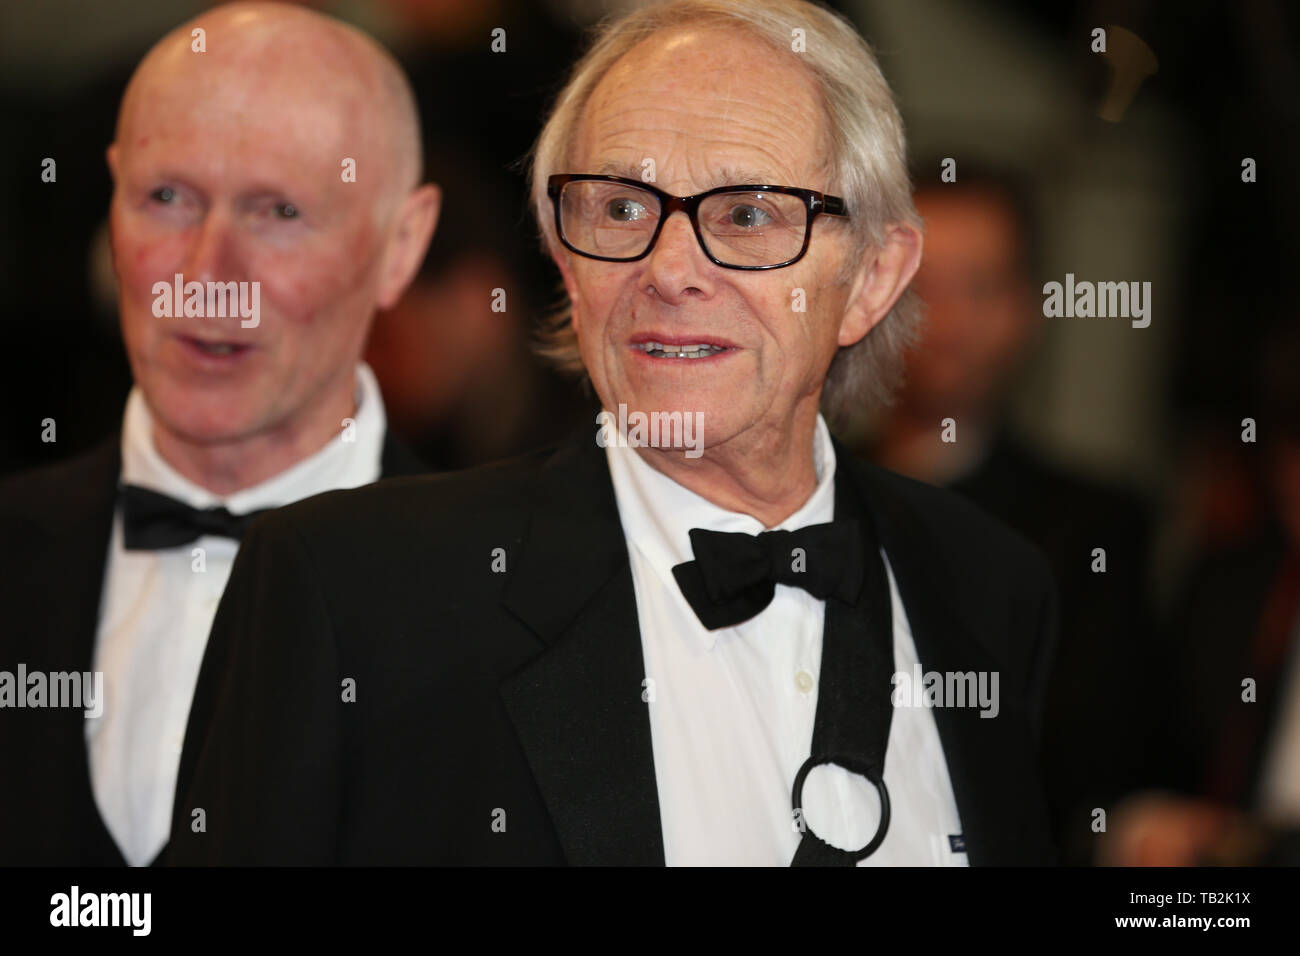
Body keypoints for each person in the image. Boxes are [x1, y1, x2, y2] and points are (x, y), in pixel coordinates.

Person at [171, 0, 1057, 866]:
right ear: (563, 258)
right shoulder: (353, 596)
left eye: (747, 214)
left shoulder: (989, 590)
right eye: (622, 209)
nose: (669, 270)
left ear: (870, 278)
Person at [0, 2, 437, 866]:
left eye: (278, 212)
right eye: (167, 197)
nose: (206, 277)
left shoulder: (504, 602)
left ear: (402, 244)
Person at [866, 165, 1155, 863]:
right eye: (920, 288)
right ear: (867, 298)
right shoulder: (796, 497)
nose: (949, 322)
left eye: (981, 288)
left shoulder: (1094, 525)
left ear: (1026, 308)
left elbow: (1089, 764)